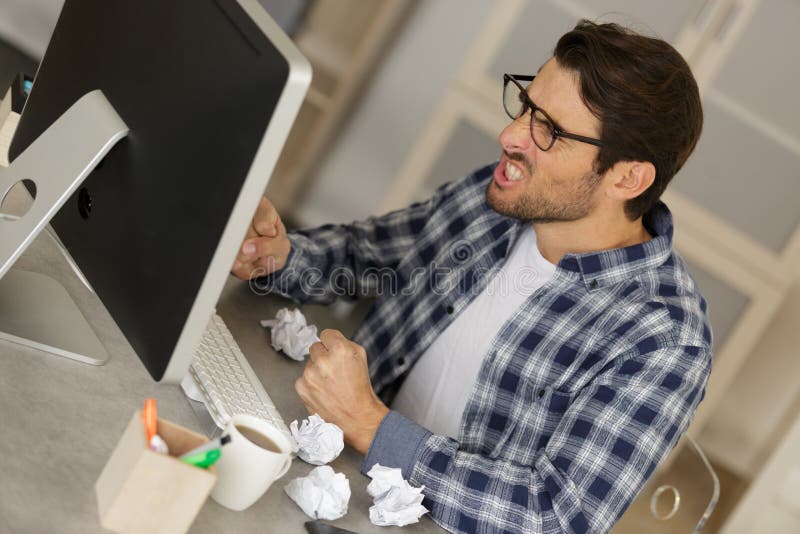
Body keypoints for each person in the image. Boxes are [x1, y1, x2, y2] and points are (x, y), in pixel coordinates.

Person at [231, 20, 711, 534]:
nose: (510, 136)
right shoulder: (504, 194)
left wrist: (370, 424)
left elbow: (554, 517)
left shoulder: (663, 340)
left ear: (628, 178)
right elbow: (365, 256)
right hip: (331, 478)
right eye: (526, 106)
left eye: (549, 131)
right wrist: (277, 256)